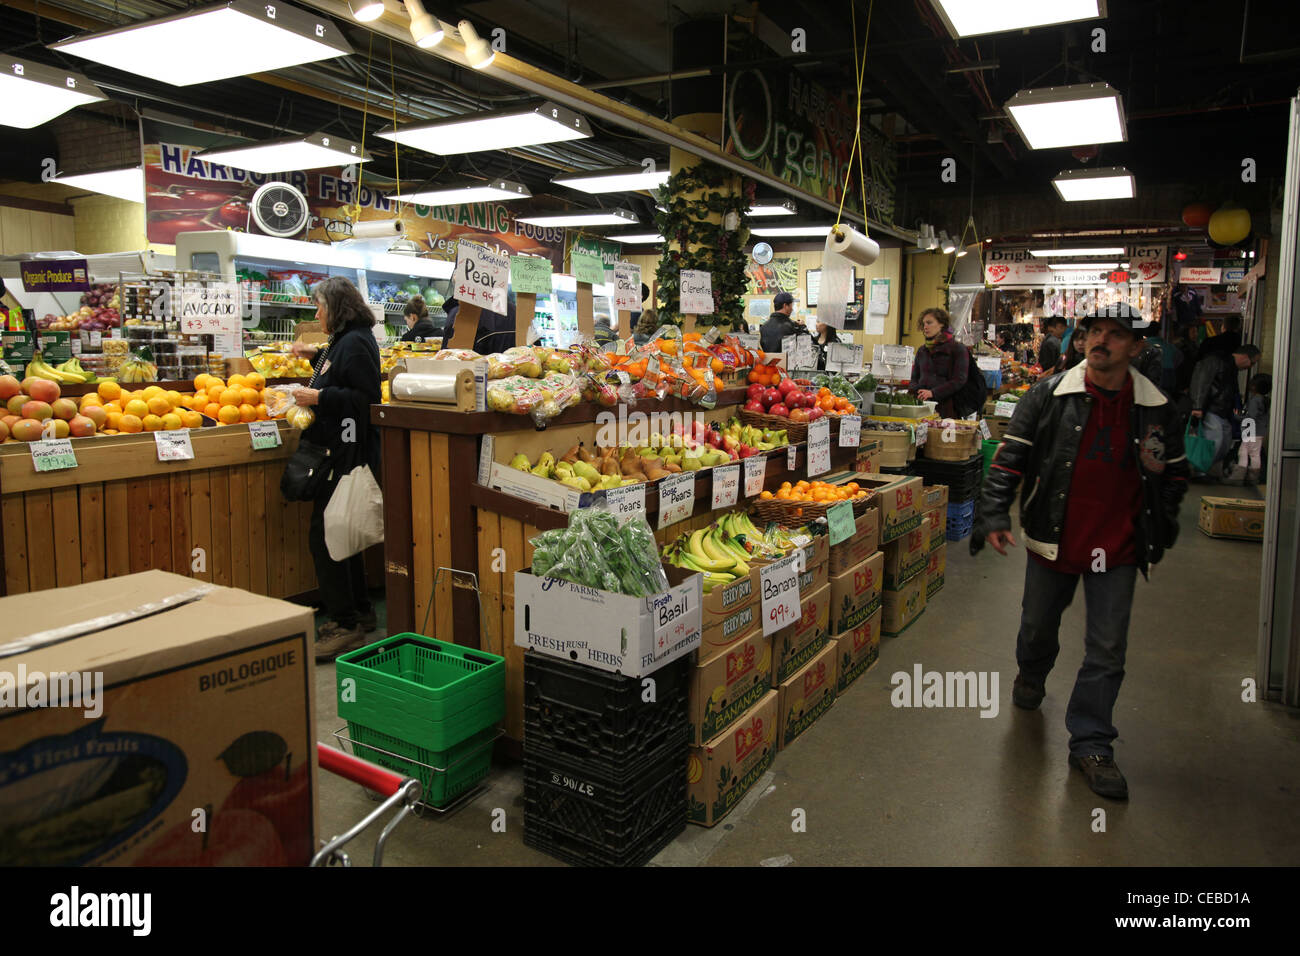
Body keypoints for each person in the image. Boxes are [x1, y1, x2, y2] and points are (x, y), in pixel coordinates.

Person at [973, 303, 1189, 800]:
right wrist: (993, 514)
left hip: (1119, 548)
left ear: (1136, 347)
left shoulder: (1156, 407)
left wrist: (1161, 527)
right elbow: (1011, 457)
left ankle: (1092, 743)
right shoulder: (1049, 394)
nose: (1101, 341)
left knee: (1107, 648)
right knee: (1036, 626)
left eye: (1115, 334)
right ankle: (1032, 674)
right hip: (1055, 537)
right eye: (1093, 331)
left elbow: (1174, 474)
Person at [288, 277, 383, 662]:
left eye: (320, 307)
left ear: (336, 308)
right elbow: (340, 371)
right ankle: (359, 611)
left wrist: (318, 396)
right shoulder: (346, 340)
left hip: (345, 452)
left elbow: (366, 399)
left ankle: (344, 625)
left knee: (325, 537)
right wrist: (314, 356)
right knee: (341, 533)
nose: (317, 314)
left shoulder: (355, 342)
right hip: (342, 449)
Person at [1189, 343, 1261, 478]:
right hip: (1212, 407)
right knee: (1216, 440)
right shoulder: (1217, 362)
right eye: (1252, 363)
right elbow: (1201, 382)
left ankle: (1204, 469)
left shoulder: (1223, 364)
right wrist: (1197, 406)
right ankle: (1201, 470)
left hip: (1219, 409)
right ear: (1245, 357)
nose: (1250, 367)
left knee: (1223, 441)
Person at [909, 306, 969, 418]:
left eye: (929, 323)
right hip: (921, 407)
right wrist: (917, 390)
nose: (925, 327)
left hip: (947, 408)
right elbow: (914, 377)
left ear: (941, 324)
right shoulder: (922, 350)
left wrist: (933, 393)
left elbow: (959, 380)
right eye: (923, 324)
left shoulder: (957, 349)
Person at [1229, 372, 1271, 484]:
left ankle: (1238, 476)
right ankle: (1253, 477)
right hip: (1260, 431)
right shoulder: (1265, 400)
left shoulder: (1255, 400)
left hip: (1250, 430)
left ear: (1254, 386)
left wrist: (1237, 416)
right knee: (1255, 454)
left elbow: (1250, 417)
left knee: (1243, 451)